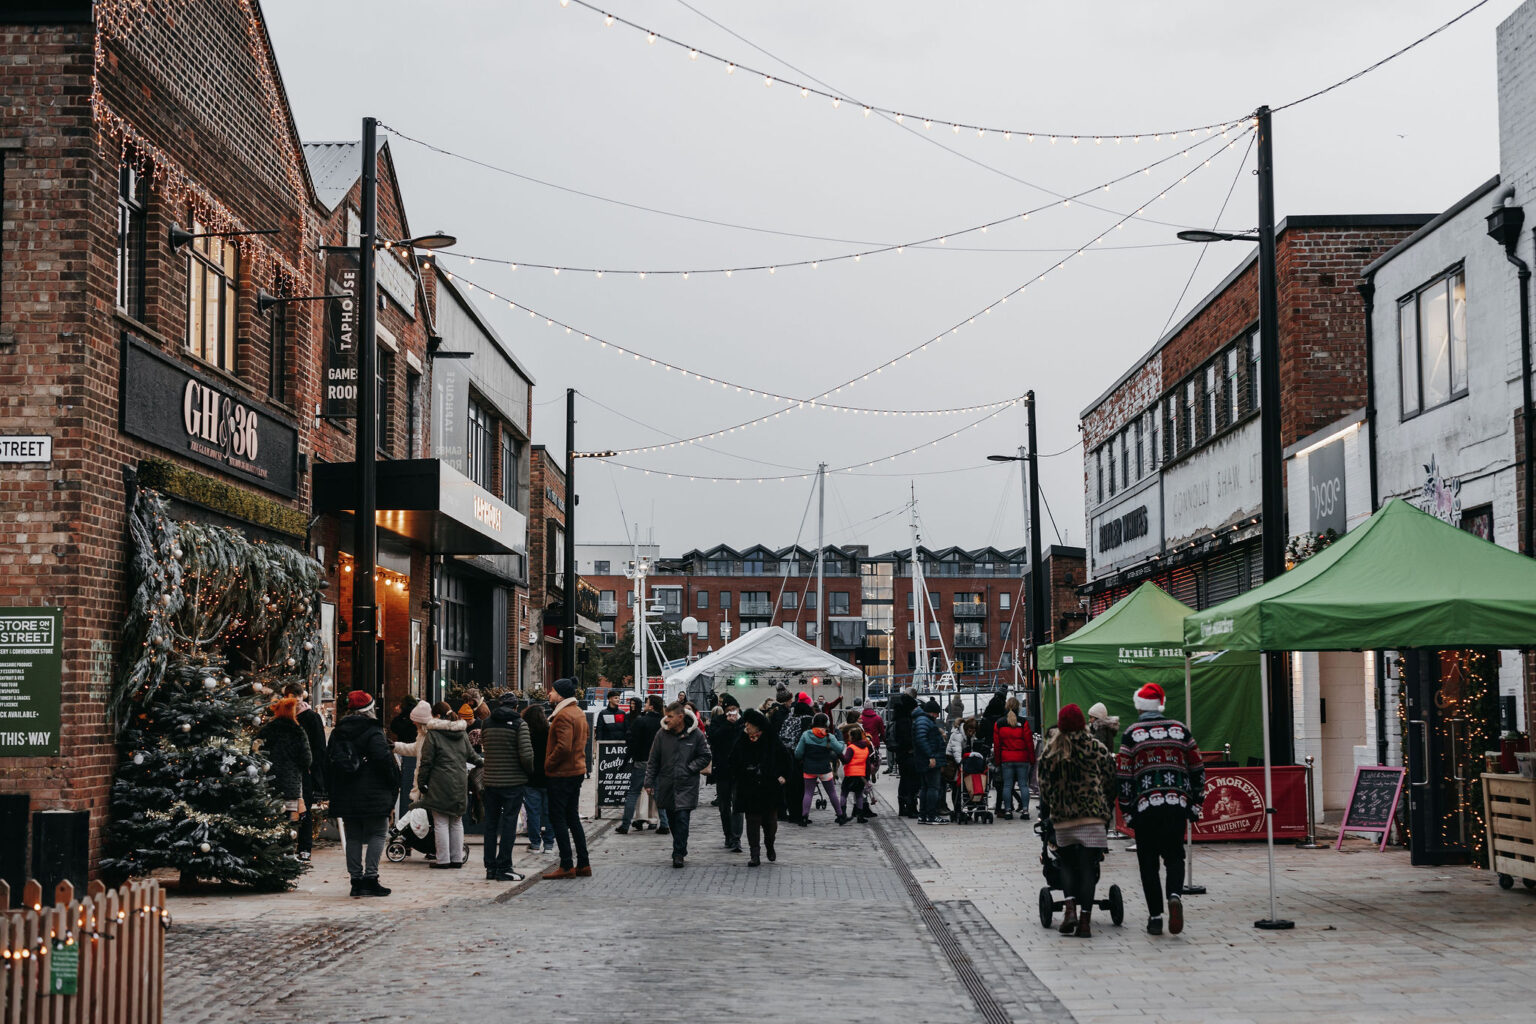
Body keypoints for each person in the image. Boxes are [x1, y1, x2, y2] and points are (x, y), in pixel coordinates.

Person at [1117, 682, 1204, 937]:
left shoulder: (1132, 734)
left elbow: (1123, 775)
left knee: (1148, 863)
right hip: (1176, 805)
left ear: (1139, 707)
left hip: (1145, 808)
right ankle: (1175, 895)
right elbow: (1198, 769)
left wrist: (1127, 811)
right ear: (1160, 705)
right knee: (1175, 856)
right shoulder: (1180, 730)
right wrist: (1196, 803)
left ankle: (1155, 917)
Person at [1038, 703, 1115, 938]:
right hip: (1092, 817)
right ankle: (1085, 921)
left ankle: (1069, 908)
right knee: (1088, 868)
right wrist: (1104, 804)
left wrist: (1054, 805)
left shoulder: (1051, 751)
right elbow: (1111, 778)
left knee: (1068, 864)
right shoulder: (1096, 748)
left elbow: (1043, 786)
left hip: (1064, 819)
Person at [326, 690, 400, 897]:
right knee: (378, 832)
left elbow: (329, 762)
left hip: (346, 792)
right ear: (370, 710)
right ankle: (371, 878)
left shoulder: (338, 732)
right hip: (373, 792)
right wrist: (393, 782)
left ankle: (356, 881)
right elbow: (383, 761)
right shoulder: (373, 732)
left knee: (353, 836)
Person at [646, 702, 713, 868]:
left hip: (687, 784)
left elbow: (705, 756)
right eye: (666, 716)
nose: (666, 720)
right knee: (672, 819)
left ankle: (678, 853)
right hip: (667, 782)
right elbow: (653, 759)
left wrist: (690, 768)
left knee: (682, 818)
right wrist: (649, 781)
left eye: (670, 716)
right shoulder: (662, 734)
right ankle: (680, 846)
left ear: (680, 717)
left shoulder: (695, 734)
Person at [416, 701, 480, 869]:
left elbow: (427, 761)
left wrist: (421, 782)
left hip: (439, 782)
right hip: (459, 781)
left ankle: (443, 860)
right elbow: (472, 756)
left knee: (441, 822)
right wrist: (486, 762)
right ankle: (457, 858)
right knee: (457, 821)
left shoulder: (433, 734)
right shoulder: (462, 732)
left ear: (436, 716)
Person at [480, 693, 534, 881]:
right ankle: (504, 866)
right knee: (509, 824)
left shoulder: (486, 723)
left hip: (491, 781)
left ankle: (490, 867)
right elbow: (526, 755)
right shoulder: (520, 724)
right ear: (516, 707)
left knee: (491, 825)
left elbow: (485, 746)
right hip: (513, 782)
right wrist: (529, 772)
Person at [729, 708, 794, 866]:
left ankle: (769, 844)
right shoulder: (742, 739)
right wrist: (739, 774)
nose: (747, 726)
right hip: (749, 786)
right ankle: (755, 853)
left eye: (750, 724)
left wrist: (783, 776)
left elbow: (785, 758)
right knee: (752, 821)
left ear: (758, 726)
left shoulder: (771, 739)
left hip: (769, 785)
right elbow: (733, 759)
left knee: (770, 822)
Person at [542, 678, 592, 879]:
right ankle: (583, 863)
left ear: (561, 694)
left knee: (558, 818)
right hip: (576, 770)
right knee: (572, 817)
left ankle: (566, 864)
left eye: (552, 691)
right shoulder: (578, 713)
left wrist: (548, 764)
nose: (549, 694)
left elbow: (563, 747)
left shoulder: (563, 715)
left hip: (562, 773)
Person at [256, 695, 311, 850]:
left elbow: (255, 751)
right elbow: (306, 759)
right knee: (288, 820)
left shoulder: (267, 730)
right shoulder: (297, 731)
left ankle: (269, 850)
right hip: (290, 783)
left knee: (270, 817)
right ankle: (286, 851)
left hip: (269, 781)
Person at [281, 682, 328, 861]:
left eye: (294, 697)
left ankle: (304, 847)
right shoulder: (284, 716)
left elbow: (319, 746)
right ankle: (290, 847)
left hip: (304, 770)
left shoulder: (311, 717)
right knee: (289, 809)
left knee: (304, 809)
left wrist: (313, 769)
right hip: (289, 769)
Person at [619, 695, 666, 834]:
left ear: (651, 706)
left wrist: (625, 762)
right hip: (658, 762)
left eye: (647, 702)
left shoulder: (641, 722)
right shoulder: (663, 722)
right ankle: (664, 823)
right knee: (658, 794)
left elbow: (632, 744)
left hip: (641, 761)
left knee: (633, 793)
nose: (645, 704)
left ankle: (625, 825)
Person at [706, 695, 744, 852]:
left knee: (738, 805)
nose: (731, 712)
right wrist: (728, 725)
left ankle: (736, 838)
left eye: (733, 709)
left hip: (739, 770)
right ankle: (728, 835)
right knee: (724, 805)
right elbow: (714, 739)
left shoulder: (743, 721)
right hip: (722, 769)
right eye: (728, 710)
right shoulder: (718, 721)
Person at [795, 713, 848, 825]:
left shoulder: (806, 735)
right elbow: (839, 749)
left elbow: (798, 753)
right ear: (827, 723)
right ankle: (840, 815)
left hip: (809, 768)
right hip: (825, 768)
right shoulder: (829, 736)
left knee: (808, 793)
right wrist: (842, 742)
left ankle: (804, 817)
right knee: (831, 792)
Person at [390, 699, 434, 819]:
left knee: (438, 822)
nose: (413, 723)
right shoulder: (423, 735)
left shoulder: (431, 736)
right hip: (426, 785)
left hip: (430, 785)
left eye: (415, 720)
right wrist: (396, 746)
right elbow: (415, 749)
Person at [993, 697, 1035, 820]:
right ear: (1018, 707)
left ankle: (1007, 811)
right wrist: (1032, 759)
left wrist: (998, 760)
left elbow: (997, 745)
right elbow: (1029, 743)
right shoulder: (1024, 722)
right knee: (1023, 785)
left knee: (1007, 785)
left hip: (1006, 759)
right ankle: (1026, 811)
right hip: (1022, 759)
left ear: (1006, 707)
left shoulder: (999, 723)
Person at [521, 703, 556, 854]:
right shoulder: (550, 732)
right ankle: (549, 844)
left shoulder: (526, 733)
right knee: (549, 812)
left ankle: (535, 843)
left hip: (532, 777)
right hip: (549, 777)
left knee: (533, 812)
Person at [777, 692, 816, 824]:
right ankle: (800, 814)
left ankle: (792, 813)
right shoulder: (806, 720)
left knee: (789, 786)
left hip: (785, 755)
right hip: (798, 757)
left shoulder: (789, 718)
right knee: (801, 788)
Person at [913, 698, 946, 825]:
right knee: (933, 787)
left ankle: (923, 815)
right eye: (937, 713)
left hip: (923, 759)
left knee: (925, 787)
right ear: (932, 712)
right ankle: (931, 815)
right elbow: (922, 739)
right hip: (929, 760)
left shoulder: (922, 720)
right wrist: (931, 756)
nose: (937, 716)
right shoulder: (924, 721)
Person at [890, 690, 919, 816]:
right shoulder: (905, 720)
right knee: (911, 781)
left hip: (901, 755)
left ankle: (902, 806)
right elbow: (906, 739)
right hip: (908, 754)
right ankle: (911, 807)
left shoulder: (898, 718)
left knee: (904, 780)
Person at [841, 726, 875, 822]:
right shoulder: (865, 748)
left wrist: (840, 755)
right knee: (859, 795)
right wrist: (867, 777)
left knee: (844, 794)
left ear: (852, 737)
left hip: (850, 775)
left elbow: (846, 760)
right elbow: (867, 764)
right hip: (861, 775)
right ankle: (860, 816)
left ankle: (842, 814)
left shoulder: (851, 748)